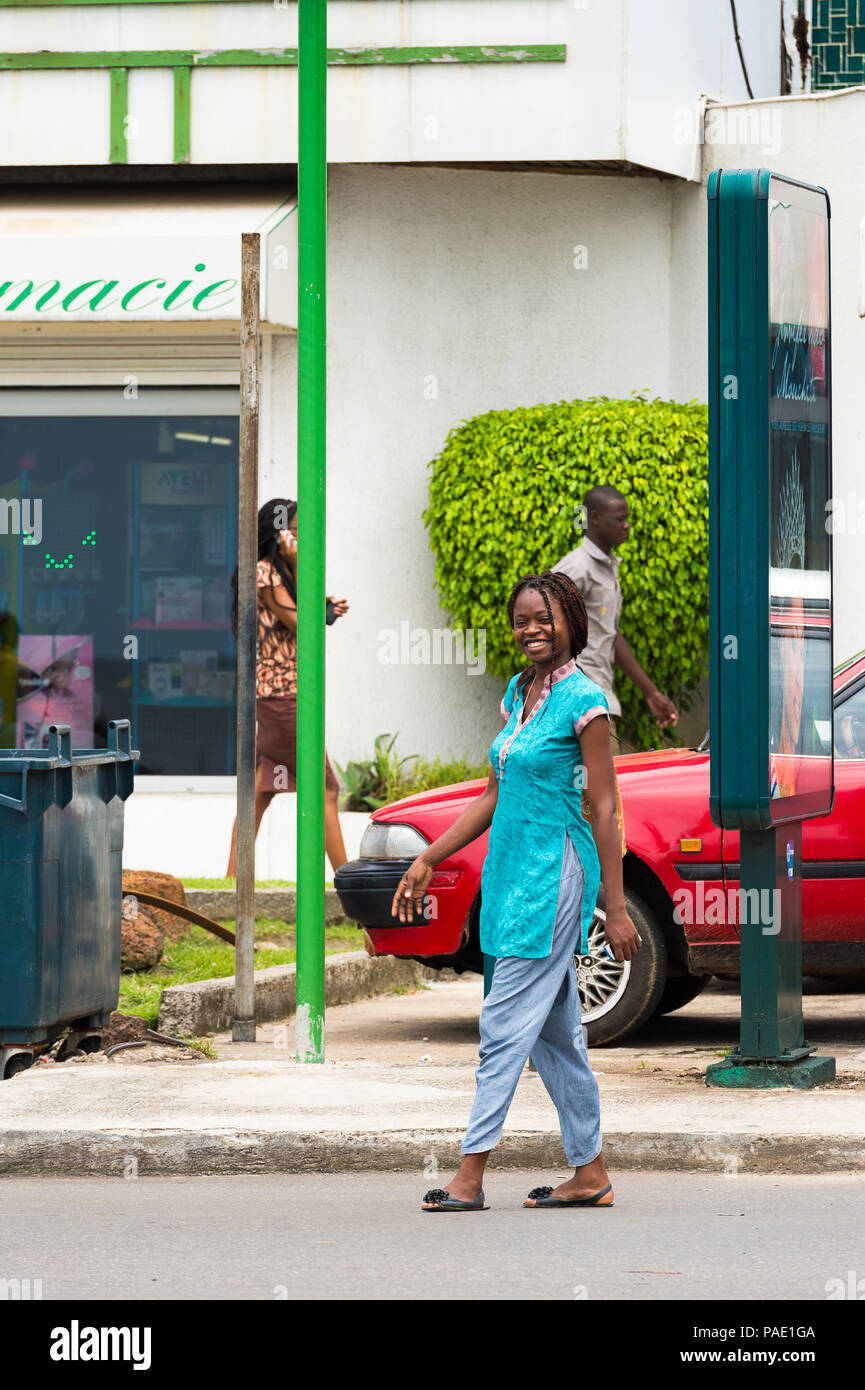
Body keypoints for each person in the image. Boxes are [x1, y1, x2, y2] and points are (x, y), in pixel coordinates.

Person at [392, 569, 641, 1212]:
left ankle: (469, 1176)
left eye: (545, 618)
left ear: (571, 623)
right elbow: (494, 794)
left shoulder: (584, 702)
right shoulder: (518, 695)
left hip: (553, 874)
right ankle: (591, 1174)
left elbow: (606, 808)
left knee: (502, 1022)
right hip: (507, 874)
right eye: (522, 620)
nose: (532, 629)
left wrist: (614, 907)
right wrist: (429, 858)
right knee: (555, 1031)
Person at [226, 497, 349, 877]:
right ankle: (350, 888)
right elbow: (303, 627)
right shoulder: (266, 573)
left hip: (278, 696)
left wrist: (324, 605)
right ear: (277, 535)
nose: (301, 539)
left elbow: (302, 612)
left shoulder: (280, 577)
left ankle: (230, 881)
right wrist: (300, 573)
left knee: (260, 793)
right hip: (284, 697)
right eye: (295, 531)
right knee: (325, 789)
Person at [553, 485, 678, 746]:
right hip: (580, 705)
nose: (626, 526)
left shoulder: (607, 567)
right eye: (619, 519)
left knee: (602, 784)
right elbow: (545, 624)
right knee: (603, 784)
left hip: (600, 699)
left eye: (627, 519)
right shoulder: (578, 567)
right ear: (595, 518)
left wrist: (651, 692)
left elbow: (610, 633)